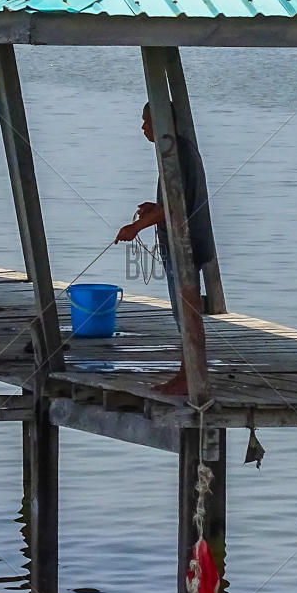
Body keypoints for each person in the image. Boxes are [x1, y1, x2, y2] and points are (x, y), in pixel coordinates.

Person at [114, 102, 216, 394]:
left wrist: (136, 228)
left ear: (161, 122)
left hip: (187, 244)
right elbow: (171, 201)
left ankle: (190, 376)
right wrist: (152, 208)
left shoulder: (177, 152)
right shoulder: (176, 150)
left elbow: (176, 205)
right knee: (183, 312)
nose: (143, 127)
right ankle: (189, 372)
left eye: (147, 121)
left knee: (186, 312)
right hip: (182, 242)